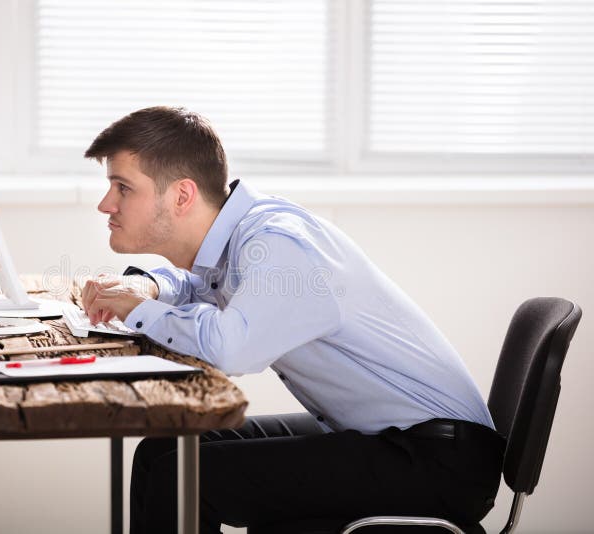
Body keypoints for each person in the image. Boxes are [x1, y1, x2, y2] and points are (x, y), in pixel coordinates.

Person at [81, 106, 504, 534]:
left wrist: (136, 311)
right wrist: (149, 287)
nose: (105, 204)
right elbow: (198, 285)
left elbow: (233, 347)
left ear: (182, 196)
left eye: (123, 187)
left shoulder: (279, 242)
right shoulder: (241, 233)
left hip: (437, 459)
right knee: (162, 454)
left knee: (183, 480)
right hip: (391, 437)